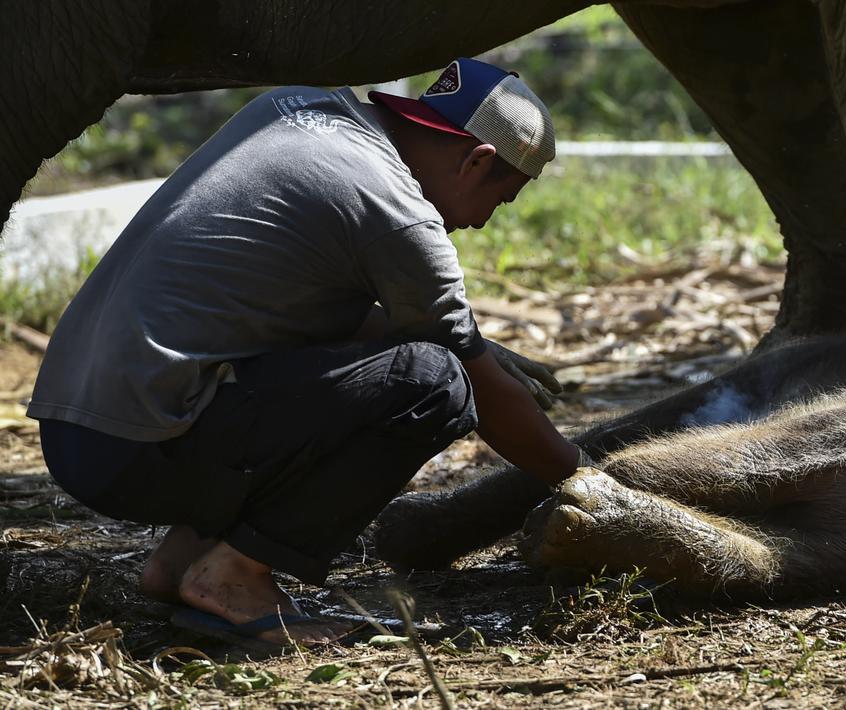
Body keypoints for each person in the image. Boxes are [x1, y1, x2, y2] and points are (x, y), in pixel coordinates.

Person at [27, 58, 582, 647]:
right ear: (477, 162)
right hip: (138, 448)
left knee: (382, 365)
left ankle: (183, 564)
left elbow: (297, 311)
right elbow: (478, 390)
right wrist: (589, 486)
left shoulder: (294, 109)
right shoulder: (399, 214)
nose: (484, 224)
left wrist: (482, 347)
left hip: (79, 430)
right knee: (436, 384)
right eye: (502, 200)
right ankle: (234, 576)